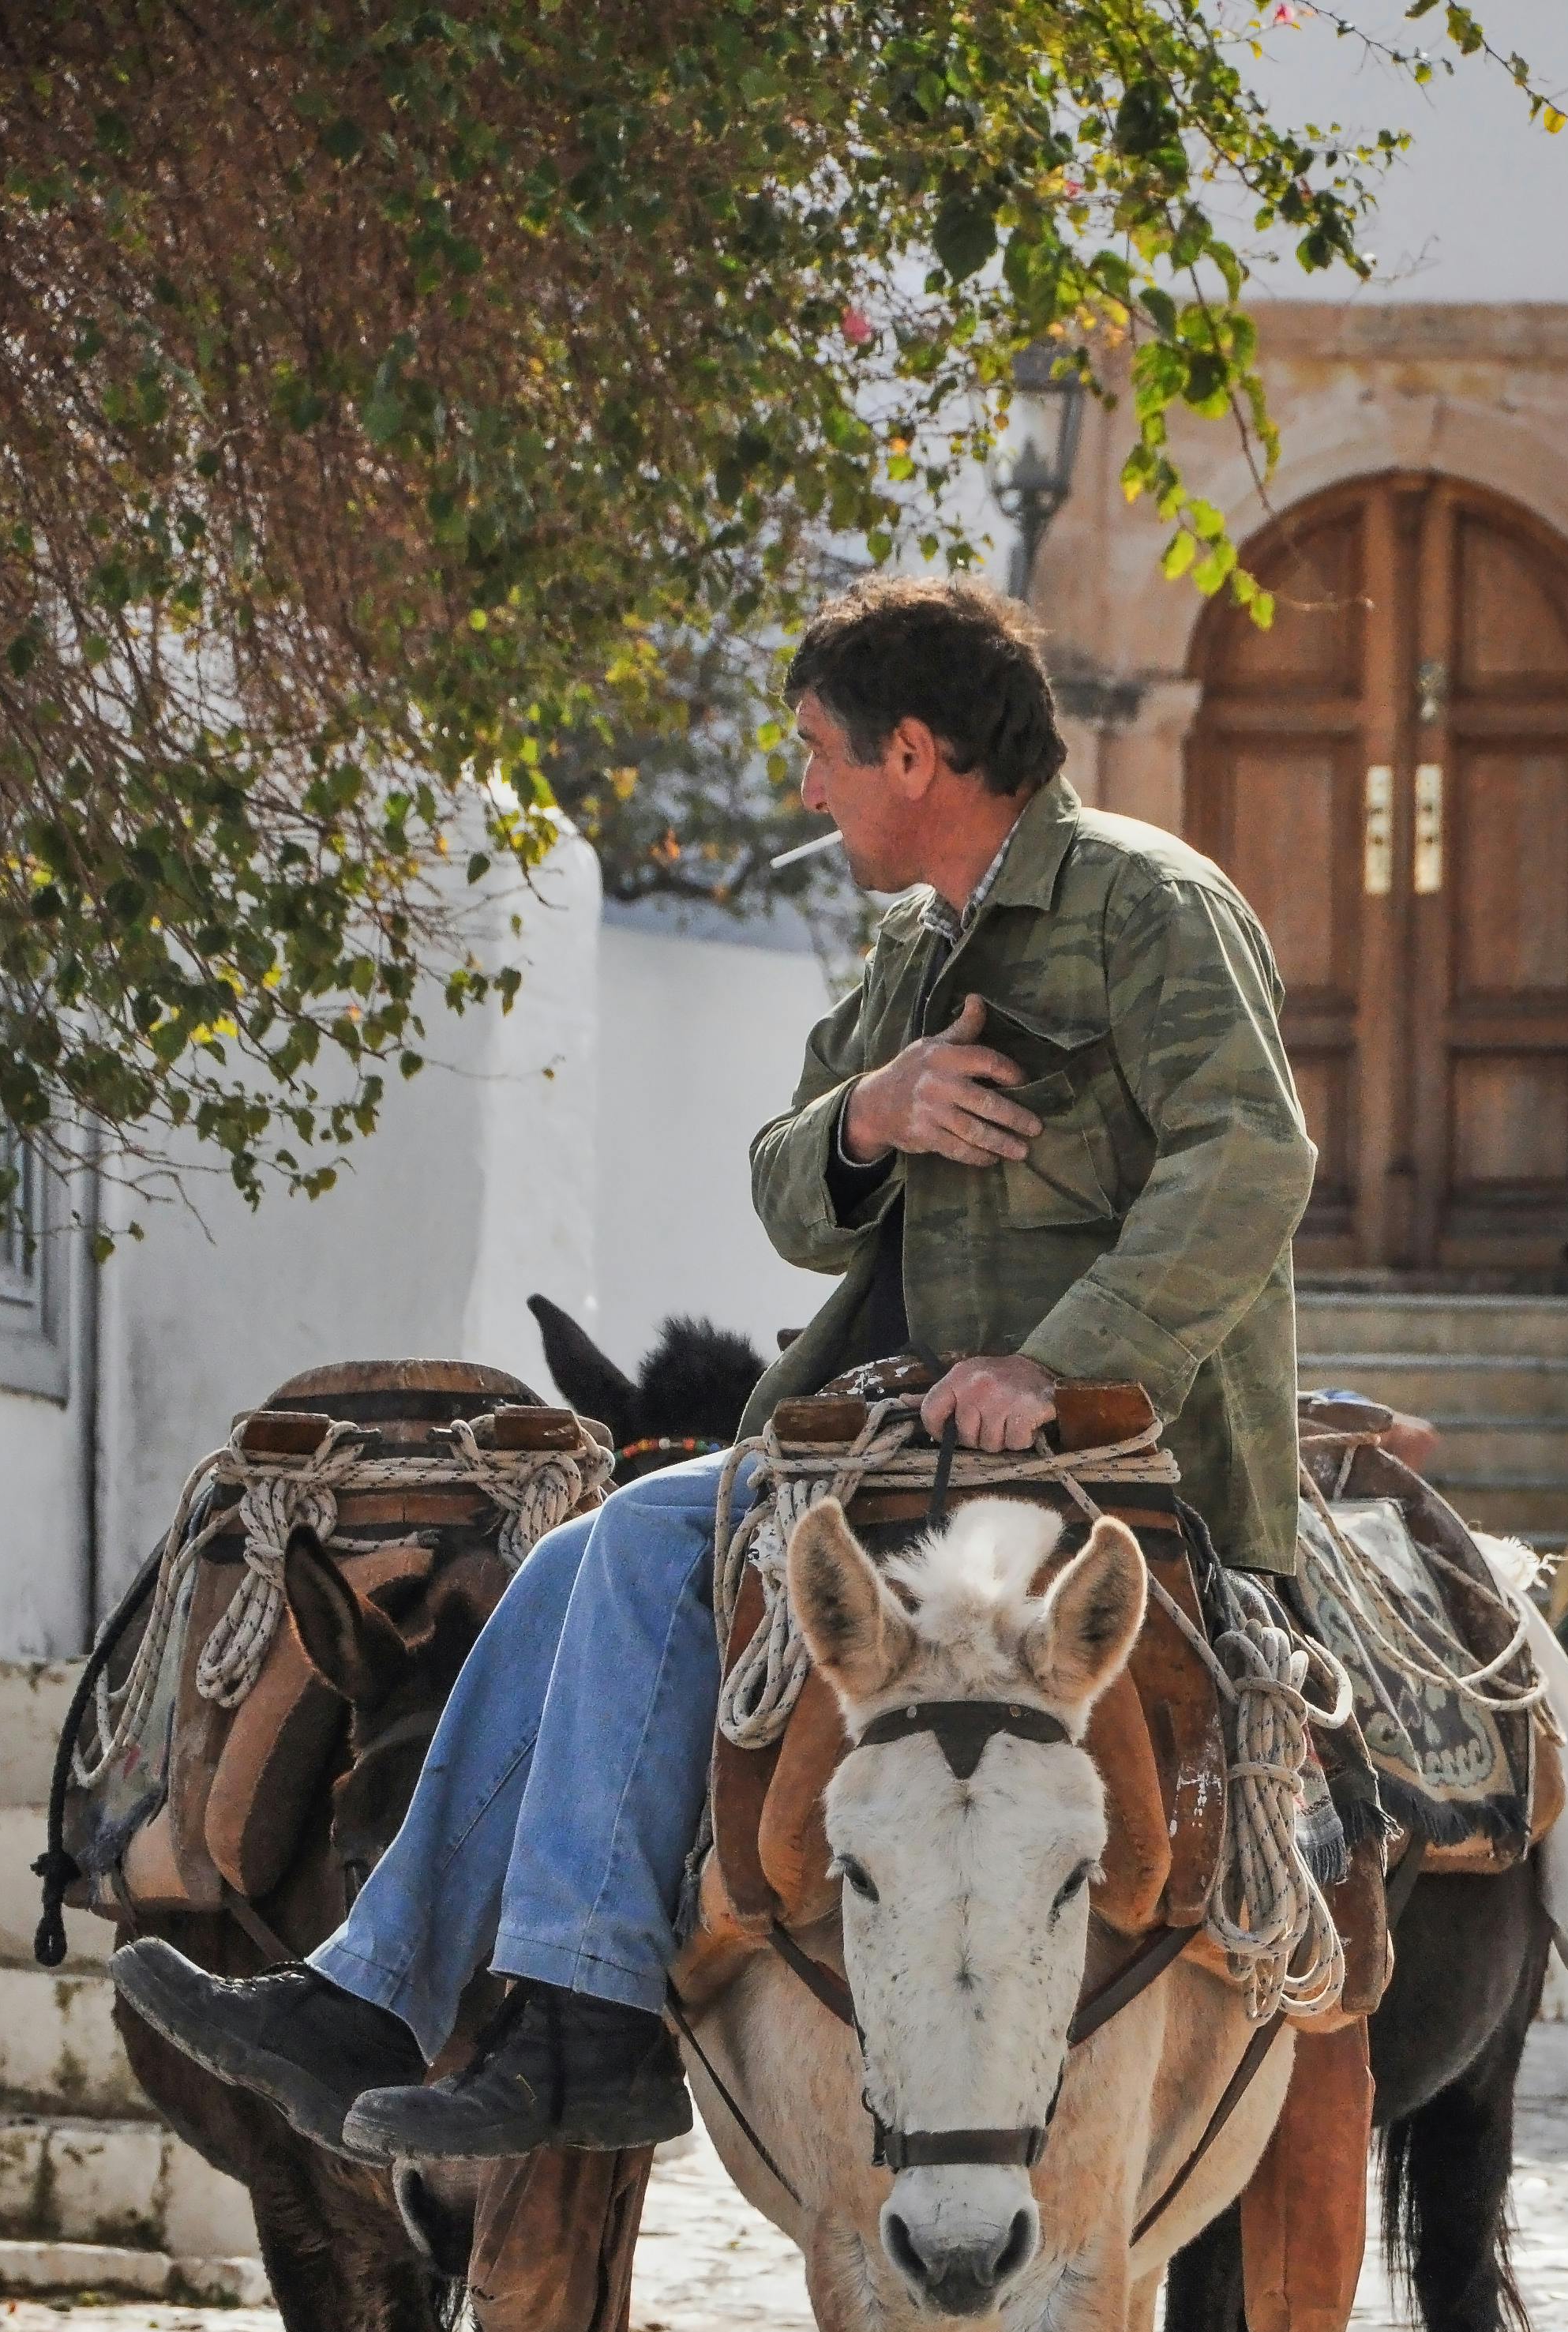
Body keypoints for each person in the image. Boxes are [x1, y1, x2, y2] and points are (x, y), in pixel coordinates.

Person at [112, 576, 1318, 2163]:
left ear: (909, 753)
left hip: (1101, 1466)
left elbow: (1250, 1156)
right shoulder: (906, 946)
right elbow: (787, 1194)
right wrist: (869, 1115)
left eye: (816, 749)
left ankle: (572, 2029)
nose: (801, 786)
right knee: (581, 1561)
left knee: (624, 1548)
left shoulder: (1153, 905)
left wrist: (1052, 1363)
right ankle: (433, 2003)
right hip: (883, 1453)